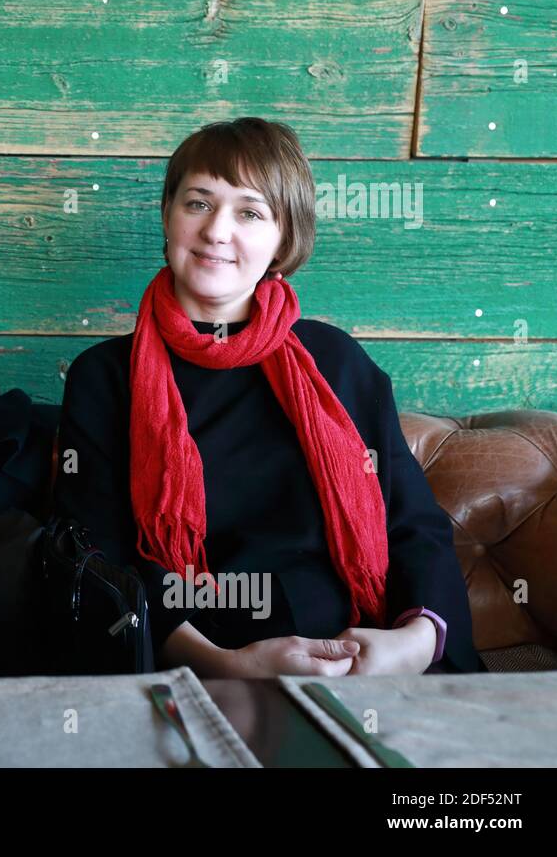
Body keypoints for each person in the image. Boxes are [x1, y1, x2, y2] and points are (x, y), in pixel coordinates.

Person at [53, 117, 481, 677]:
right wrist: (224, 665)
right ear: (167, 215)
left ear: (284, 239)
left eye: (250, 213)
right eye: (198, 203)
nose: (216, 231)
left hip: (363, 664)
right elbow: (102, 560)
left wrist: (416, 643)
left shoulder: (336, 362)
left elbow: (414, 524)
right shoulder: (105, 376)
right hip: (200, 668)